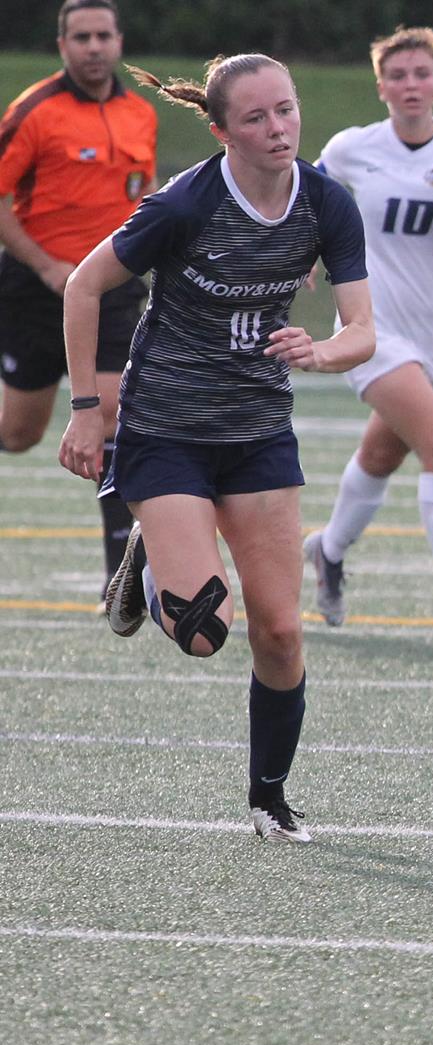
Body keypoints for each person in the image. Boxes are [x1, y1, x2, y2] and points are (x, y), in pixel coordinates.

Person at [55, 53, 374, 844]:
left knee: (282, 630)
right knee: (204, 630)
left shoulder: (326, 203)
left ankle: (269, 797)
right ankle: (159, 567)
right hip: (165, 430)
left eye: (288, 111)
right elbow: (83, 286)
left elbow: (362, 332)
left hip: (258, 433)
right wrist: (89, 411)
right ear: (223, 128)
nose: (278, 129)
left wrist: (321, 351)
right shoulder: (185, 204)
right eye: (258, 117)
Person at [304, 25, 433, 638]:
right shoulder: (353, 148)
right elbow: (304, 199)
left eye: (421, 74)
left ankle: (329, 552)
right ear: (381, 88)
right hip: (370, 326)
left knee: (380, 453)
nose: (411, 85)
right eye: (398, 76)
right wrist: (306, 254)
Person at [0, 0, 155, 605]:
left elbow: (140, 202)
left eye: (104, 35)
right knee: (18, 435)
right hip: (36, 292)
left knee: (113, 410)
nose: (94, 46)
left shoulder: (141, 113)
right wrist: (46, 266)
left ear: (119, 42)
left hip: (112, 292)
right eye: (82, 36)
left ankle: (123, 579)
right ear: (63, 45)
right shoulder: (34, 111)